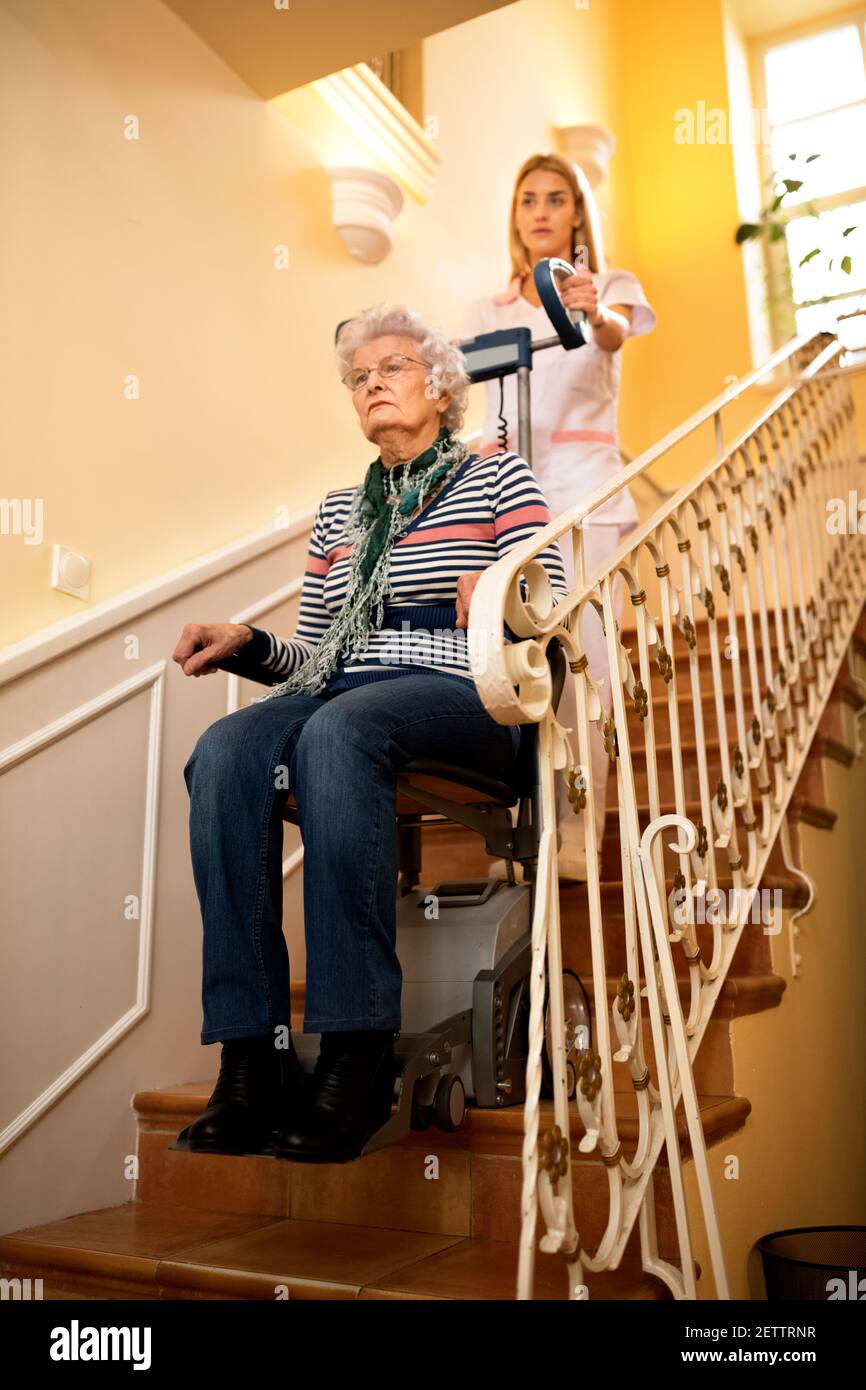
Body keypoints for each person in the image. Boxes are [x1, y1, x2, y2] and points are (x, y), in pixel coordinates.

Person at [170, 304, 568, 1165]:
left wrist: (501, 603)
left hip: (467, 691)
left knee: (339, 733)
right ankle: (253, 1060)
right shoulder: (341, 510)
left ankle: (354, 1054)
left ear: (440, 385)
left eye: (393, 366)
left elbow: (556, 606)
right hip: (349, 688)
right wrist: (251, 645)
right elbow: (318, 661)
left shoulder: (499, 479)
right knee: (227, 751)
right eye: (359, 377)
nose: (373, 382)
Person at [456, 153, 656, 882]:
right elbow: (473, 400)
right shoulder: (488, 311)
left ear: (576, 213)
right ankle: (519, 833)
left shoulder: (610, 287)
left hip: (587, 495)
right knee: (515, 664)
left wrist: (587, 306)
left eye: (557, 198)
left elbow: (610, 333)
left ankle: (577, 834)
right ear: (516, 216)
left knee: (587, 665)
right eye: (528, 200)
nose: (541, 211)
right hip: (512, 504)